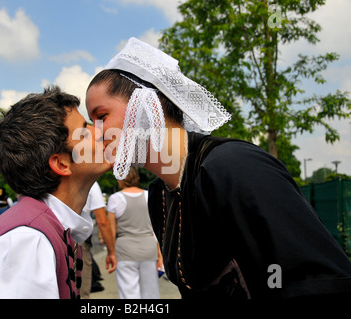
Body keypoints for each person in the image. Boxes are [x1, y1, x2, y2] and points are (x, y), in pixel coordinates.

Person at [85, 37, 351, 299]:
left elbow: (317, 281)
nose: (96, 133)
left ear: (144, 104)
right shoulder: (158, 197)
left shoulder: (234, 166)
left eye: (101, 116)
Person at [0, 86, 111, 299]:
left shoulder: (39, 230)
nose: (100, 131)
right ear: (61, 163)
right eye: (84, 131)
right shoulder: (27, 242)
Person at [107, 167, 162, 299]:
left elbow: (112, 231)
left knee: (128, 293)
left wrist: (111, 252)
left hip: (125, 249)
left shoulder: (115, 198)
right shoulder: (148, 195)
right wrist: (160, 254)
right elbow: (157, 227)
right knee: (151, 292)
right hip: (148, 248)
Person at [80, 181, 116, 299]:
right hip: (80, 237)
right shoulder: (90, 182)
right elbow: (102, 221)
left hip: (54, 233)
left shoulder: (54, 175)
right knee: (82, 281)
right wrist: (111, 251)